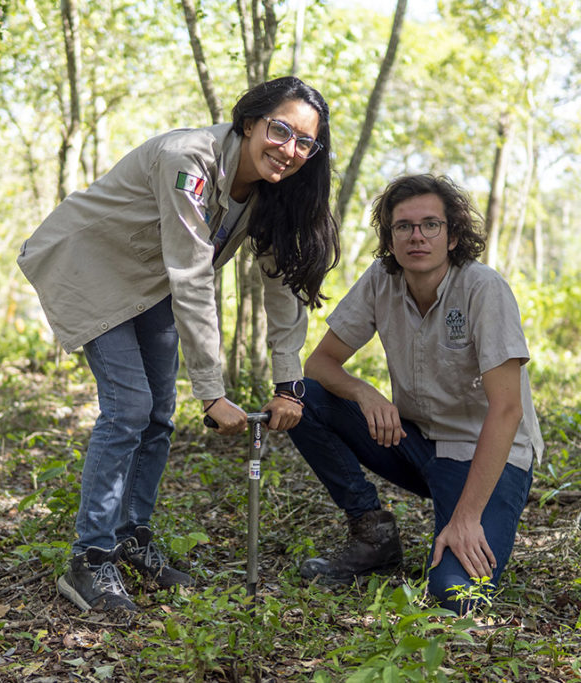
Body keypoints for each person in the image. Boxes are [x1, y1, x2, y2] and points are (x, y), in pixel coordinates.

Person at [17, 77, 339, 618]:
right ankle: (89, 556)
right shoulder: (188, 159)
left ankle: (129, 535)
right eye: (279, 130)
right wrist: (212, 392)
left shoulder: (271, 191)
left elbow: (281, 285)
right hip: (91, 265)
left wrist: (290, 384)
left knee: (159, 415)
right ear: (248, 122)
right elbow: (193, 275)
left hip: (151, 280)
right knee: (129, 409)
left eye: (304, 142)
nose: (289, 149)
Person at [287, 174, 543, 614]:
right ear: (389, 238)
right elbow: (319, 364)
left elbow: (507, 412)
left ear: (453, 235)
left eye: (430, 225)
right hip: (414, 444)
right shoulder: (381, 280)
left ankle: (464, 521)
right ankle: (373, 534)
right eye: (403, 227)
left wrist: (464, 519)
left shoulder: (483, 289)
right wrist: (364, 393)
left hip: (483, 453)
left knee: (454, 595)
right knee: (304, 397)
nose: (416, 236)